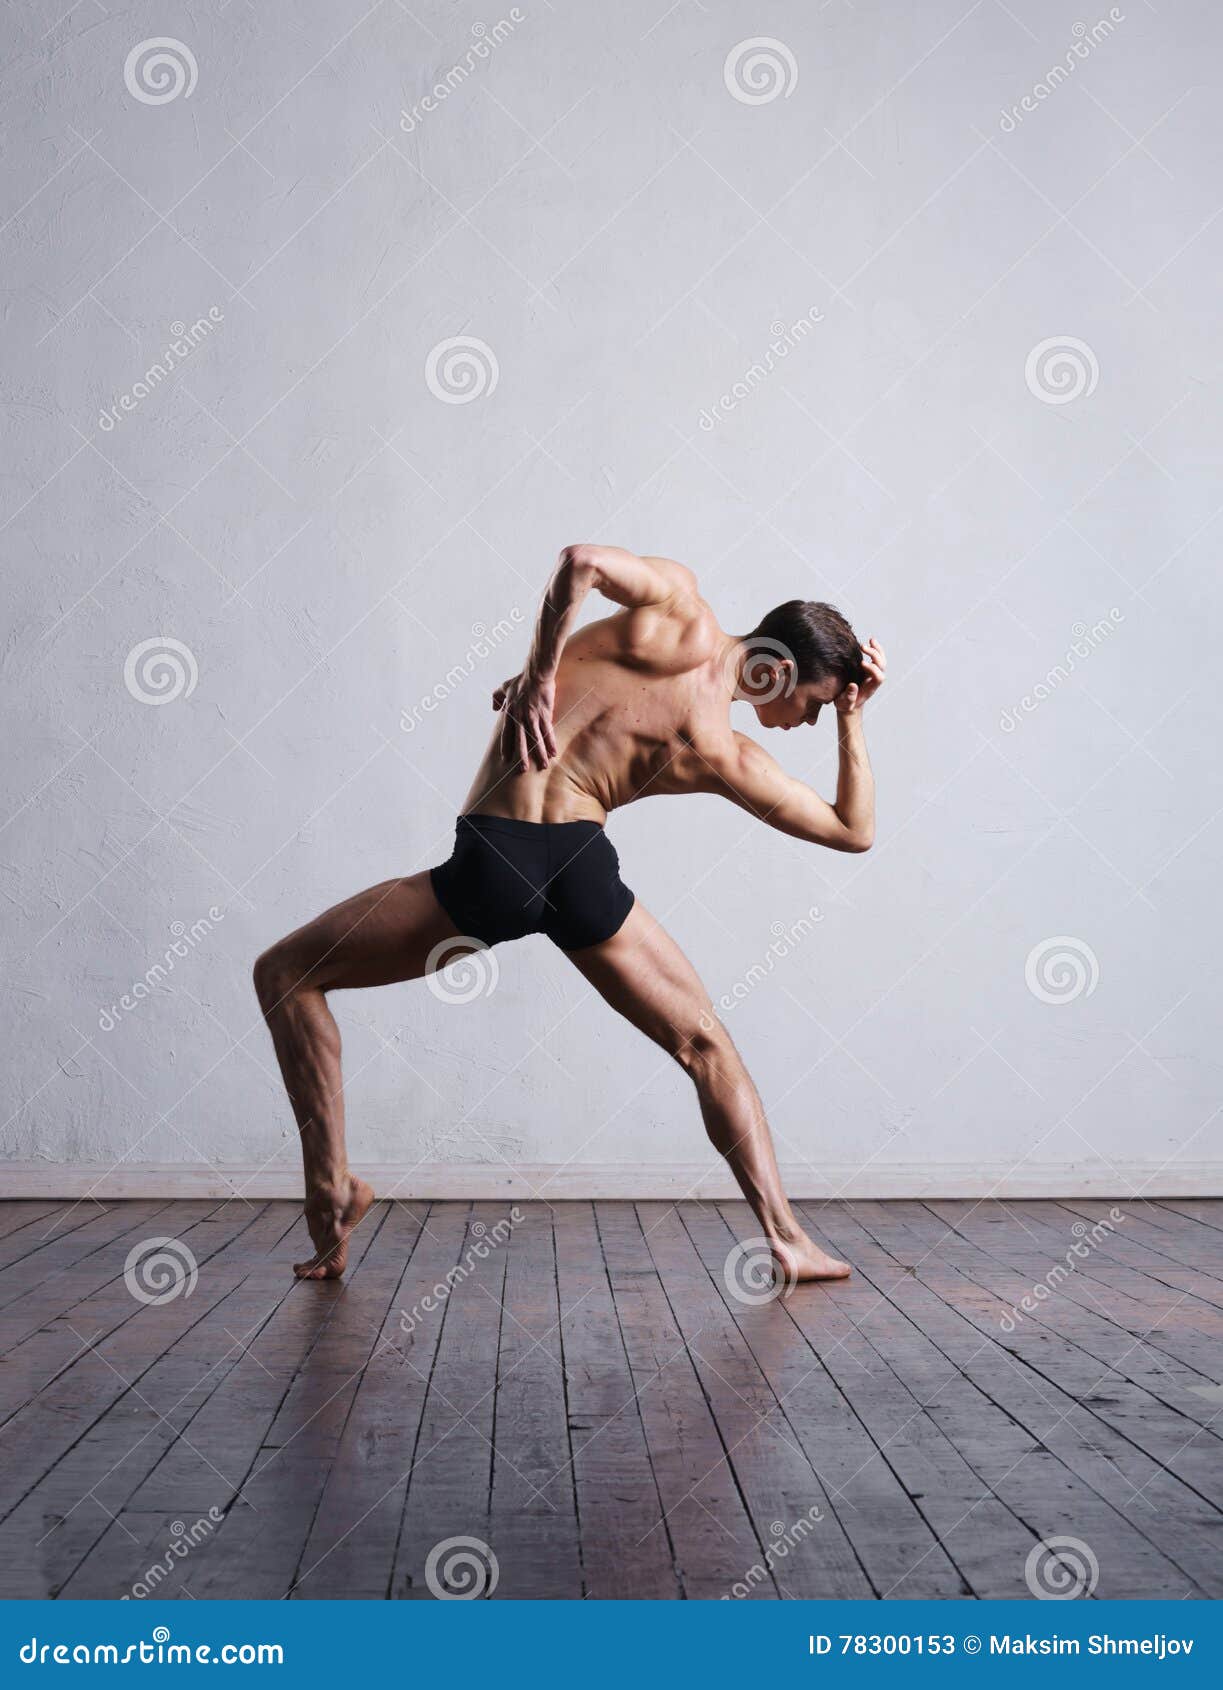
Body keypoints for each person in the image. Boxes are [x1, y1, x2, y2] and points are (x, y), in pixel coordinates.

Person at [254, 545, 885, 1281]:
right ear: (776, 671)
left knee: (288, 974)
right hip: (580, 875)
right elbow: (853, 828)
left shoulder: (673, 607)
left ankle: (331, 1188)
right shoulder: (722, 750)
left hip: (495, 865)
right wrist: (856, 723)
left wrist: (540, 676)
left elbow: (579, 563)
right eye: (813, 704)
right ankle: (786, 1240)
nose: (807, 722)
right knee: (705, 1047)